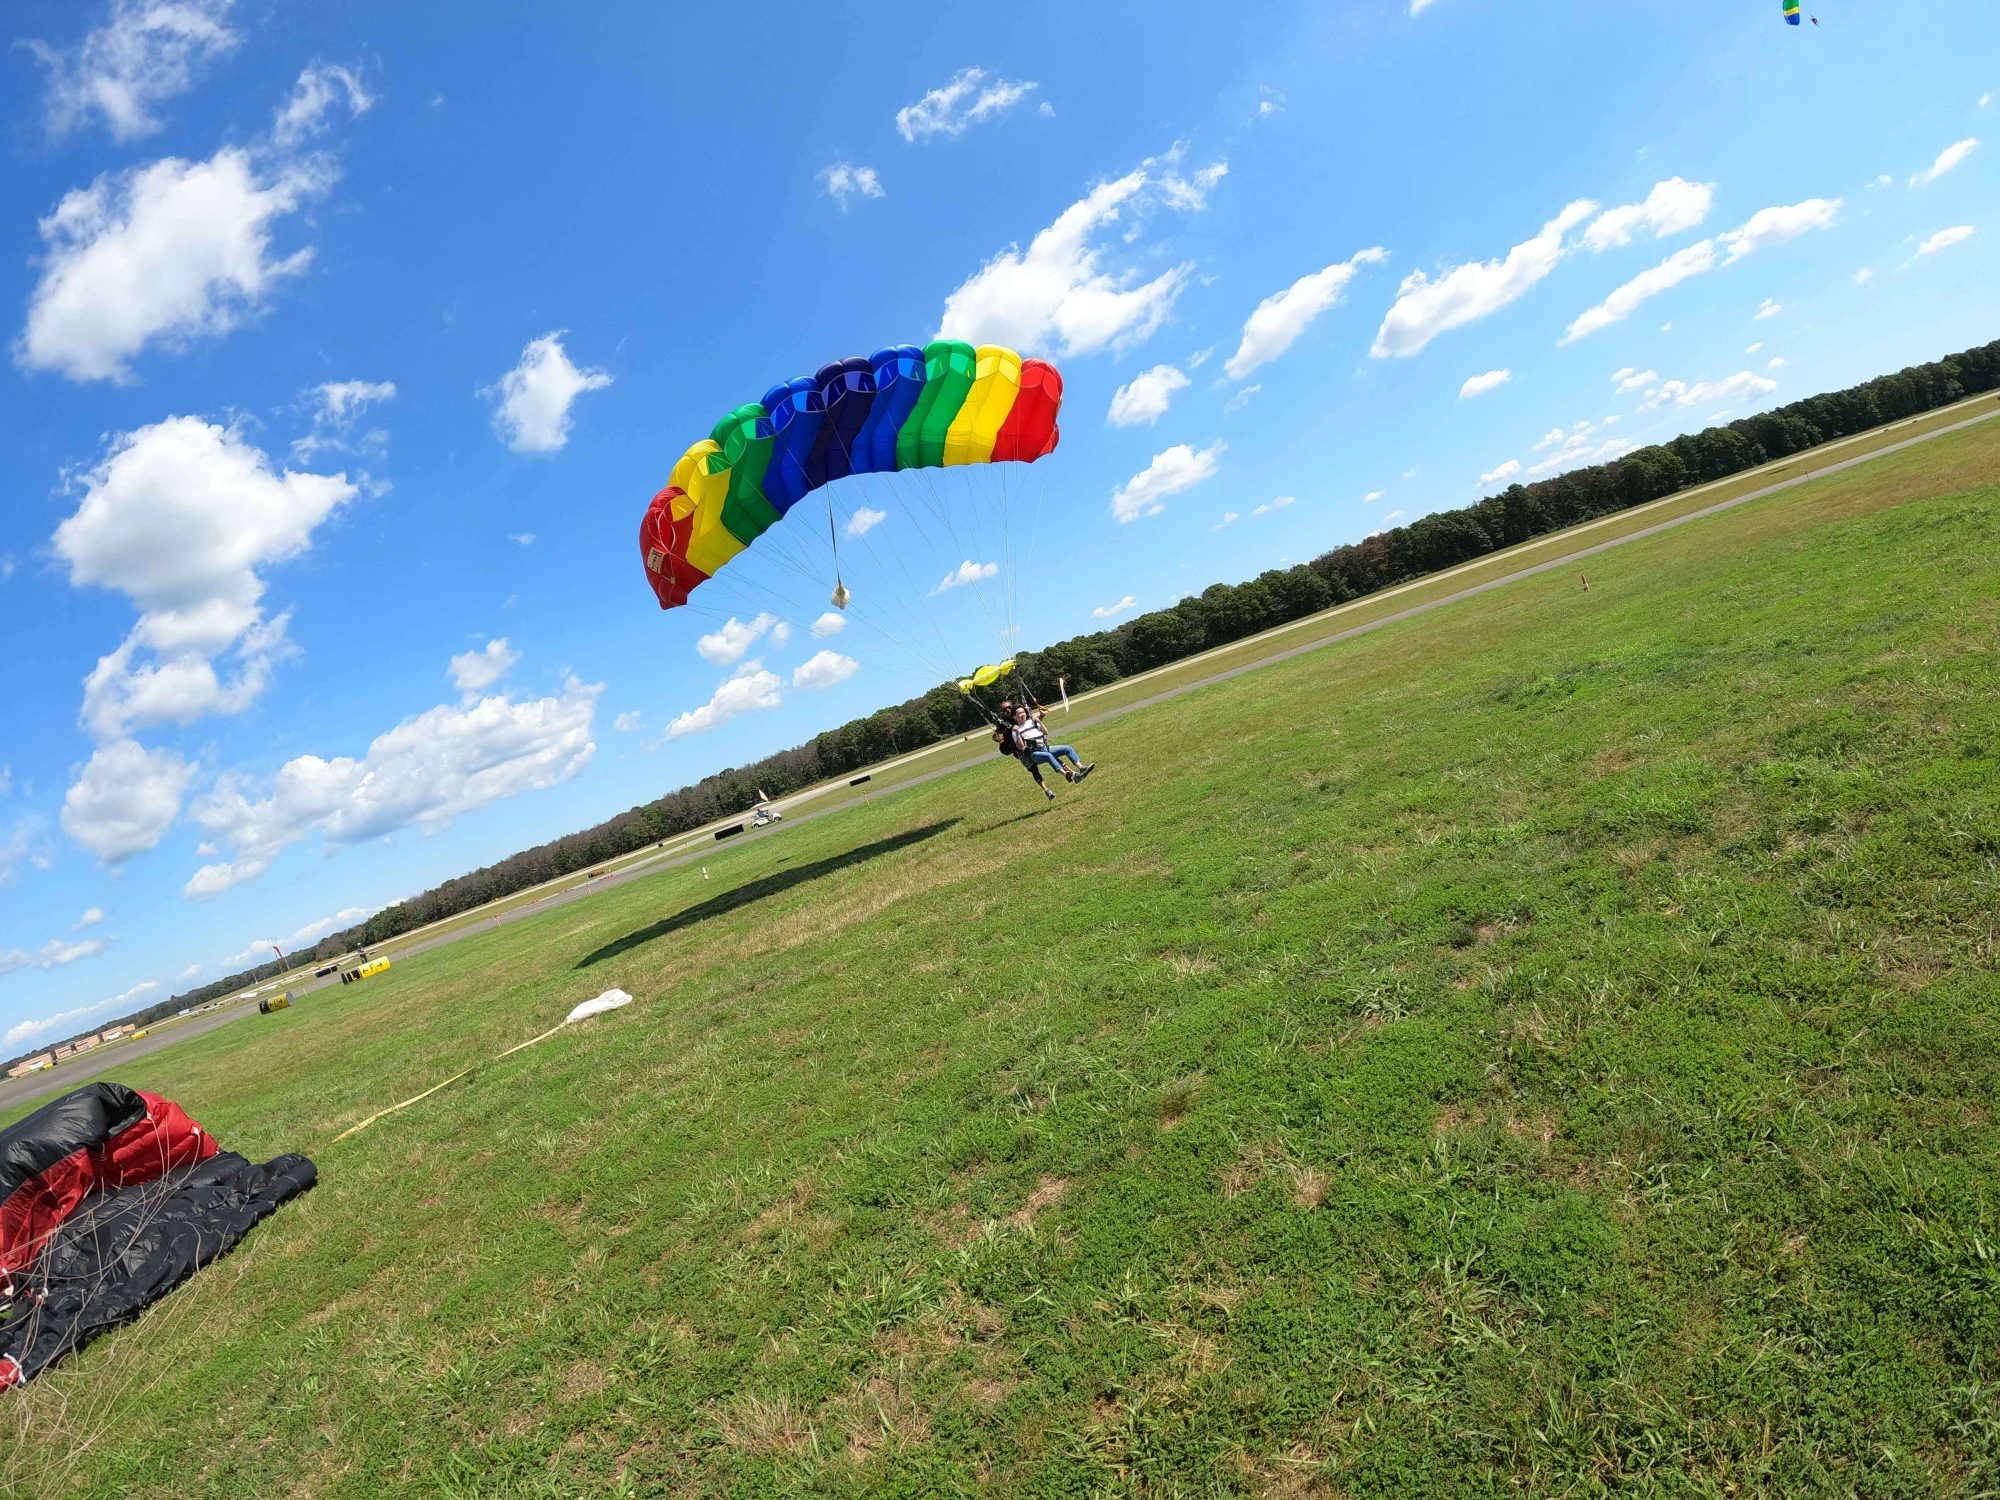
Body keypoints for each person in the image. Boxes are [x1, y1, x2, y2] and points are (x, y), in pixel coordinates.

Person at [992, 698, 1056, 800]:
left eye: (1009, 707)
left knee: (1051, 756)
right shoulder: (1001, 722)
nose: (1008, 710)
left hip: (1033, 744)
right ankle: (1047, 790)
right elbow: (997, 736)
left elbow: (1033, 725)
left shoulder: (1020, 714)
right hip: (1020, 750)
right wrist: (997, 738)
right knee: (1033, 768)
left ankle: (1069, 773)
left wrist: (1041, 715)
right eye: (1005, 709)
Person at [1011, 704, 1092, 783]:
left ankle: (1082, 768)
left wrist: (1039, 721)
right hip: (1035, 753)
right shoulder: (1015, 729)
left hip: (1045, 747)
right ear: (1015, 717)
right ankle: (1065, 774)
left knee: (1067, 748)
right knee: (1049, 755)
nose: (1022, 714)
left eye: (1023, 712)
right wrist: (1017, 733)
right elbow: (1021, 747)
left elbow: (1046, 732)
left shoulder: (1032, 721)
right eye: (1019, 713)